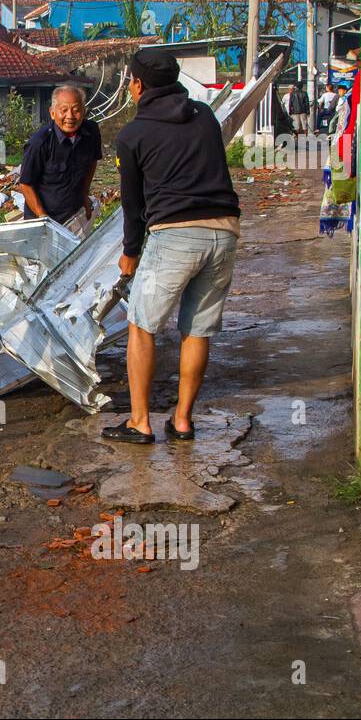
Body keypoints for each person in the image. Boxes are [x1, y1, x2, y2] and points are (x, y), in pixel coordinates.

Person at [103, 48, 241, 444]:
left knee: (142, 326)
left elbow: (134, 205)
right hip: (225, 229)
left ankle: (140, 422)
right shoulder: (206, 118)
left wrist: (130, 253)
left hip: (174, 234)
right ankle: (182, 421)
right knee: (197, 329)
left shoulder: (133, 135)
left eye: (129, 80)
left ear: (139, 85)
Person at [16, 84, 102, 231]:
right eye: (64, 110)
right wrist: (43, 217)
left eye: (76, 110)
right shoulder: (39, 143)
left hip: (74, 214)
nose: (70, 116)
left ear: (83, 111)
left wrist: (84, 194)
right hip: (43, 219)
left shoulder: (91, 131)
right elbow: (25, 184)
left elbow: (92, 161)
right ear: (52, 113)